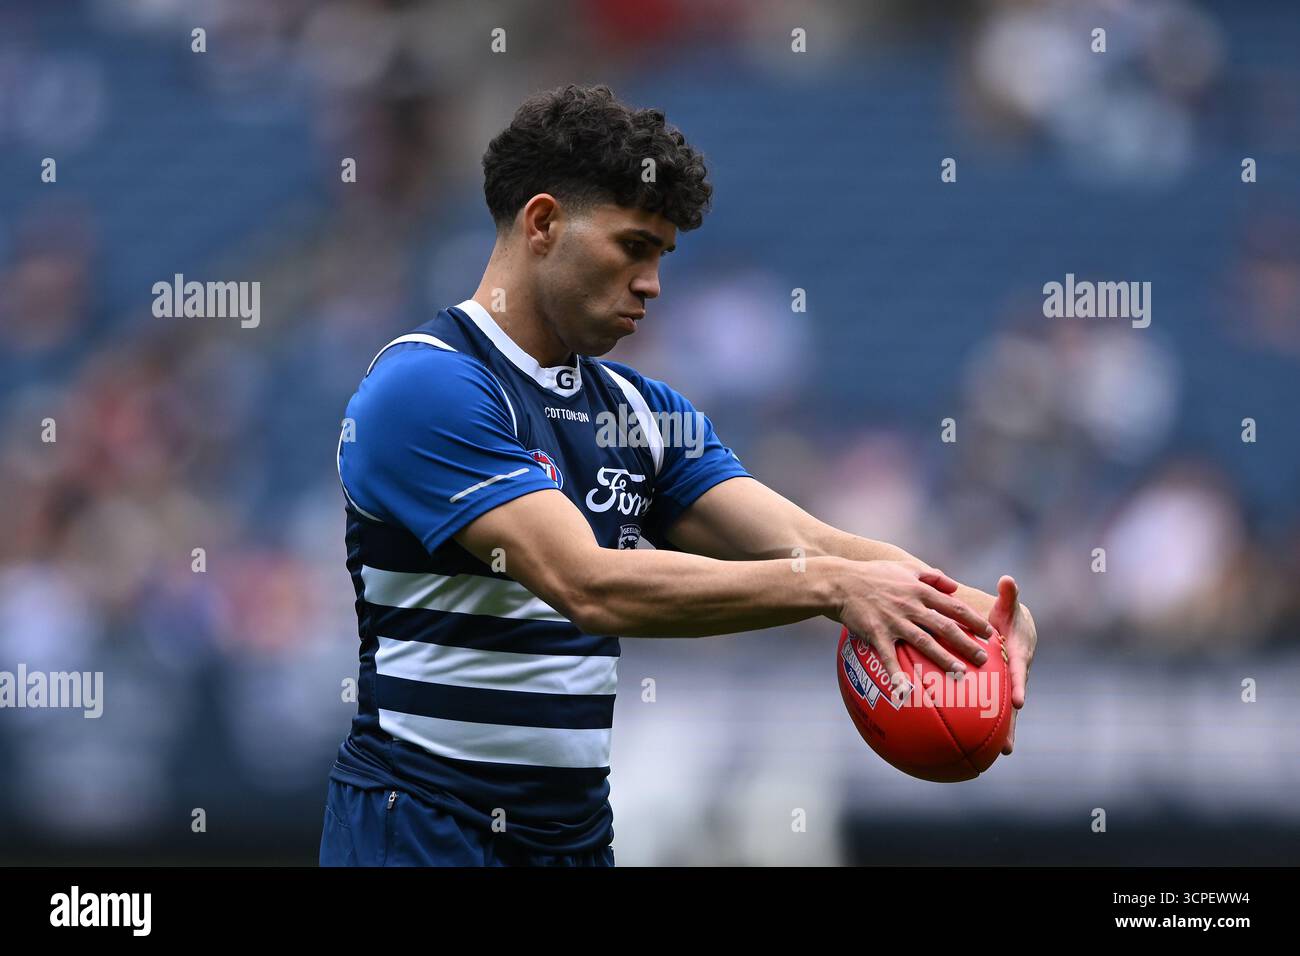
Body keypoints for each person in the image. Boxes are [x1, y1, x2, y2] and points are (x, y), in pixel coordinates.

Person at [319, 84, 1037, 867]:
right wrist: (834, 588)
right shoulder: (428, 387)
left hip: (571, 835)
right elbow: (589, 584)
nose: (653, 283)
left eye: (662, 255)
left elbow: (799, 538)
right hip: (421, 824)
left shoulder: (641, 410)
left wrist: (968, 610)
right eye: (633, 246)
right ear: (544, 223)